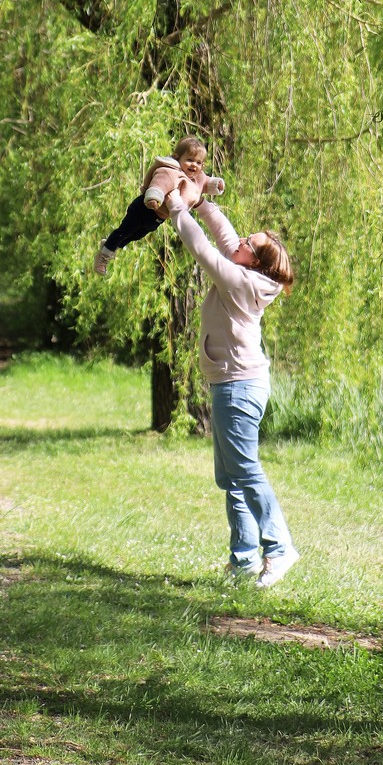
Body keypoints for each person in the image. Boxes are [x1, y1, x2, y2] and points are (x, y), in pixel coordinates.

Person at [165, 191, 298, 588]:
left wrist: (177, 206)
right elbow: (224, 238)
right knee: (231, 477)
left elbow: (203, 248)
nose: (240, 242)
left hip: (239, 386)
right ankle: (242, 561)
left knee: (244, 469)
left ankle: (279, 548)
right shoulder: (247, 270)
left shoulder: (240, 280)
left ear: (255, 262)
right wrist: (203, 200)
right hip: (234, 383)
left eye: (248, 244)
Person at [93, 136, 224, 276]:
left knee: (135, 235)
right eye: (189, 160)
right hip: (144, 209)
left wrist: (215, 185)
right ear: (177, 157)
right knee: (124, 231)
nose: (194, 165)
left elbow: (205, 183)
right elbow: (160, 184)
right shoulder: (170, 172)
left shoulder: (196, 178)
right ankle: (103, 257)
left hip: (157, 219)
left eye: (198, 162)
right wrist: (154, 196)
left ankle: (109, 245)